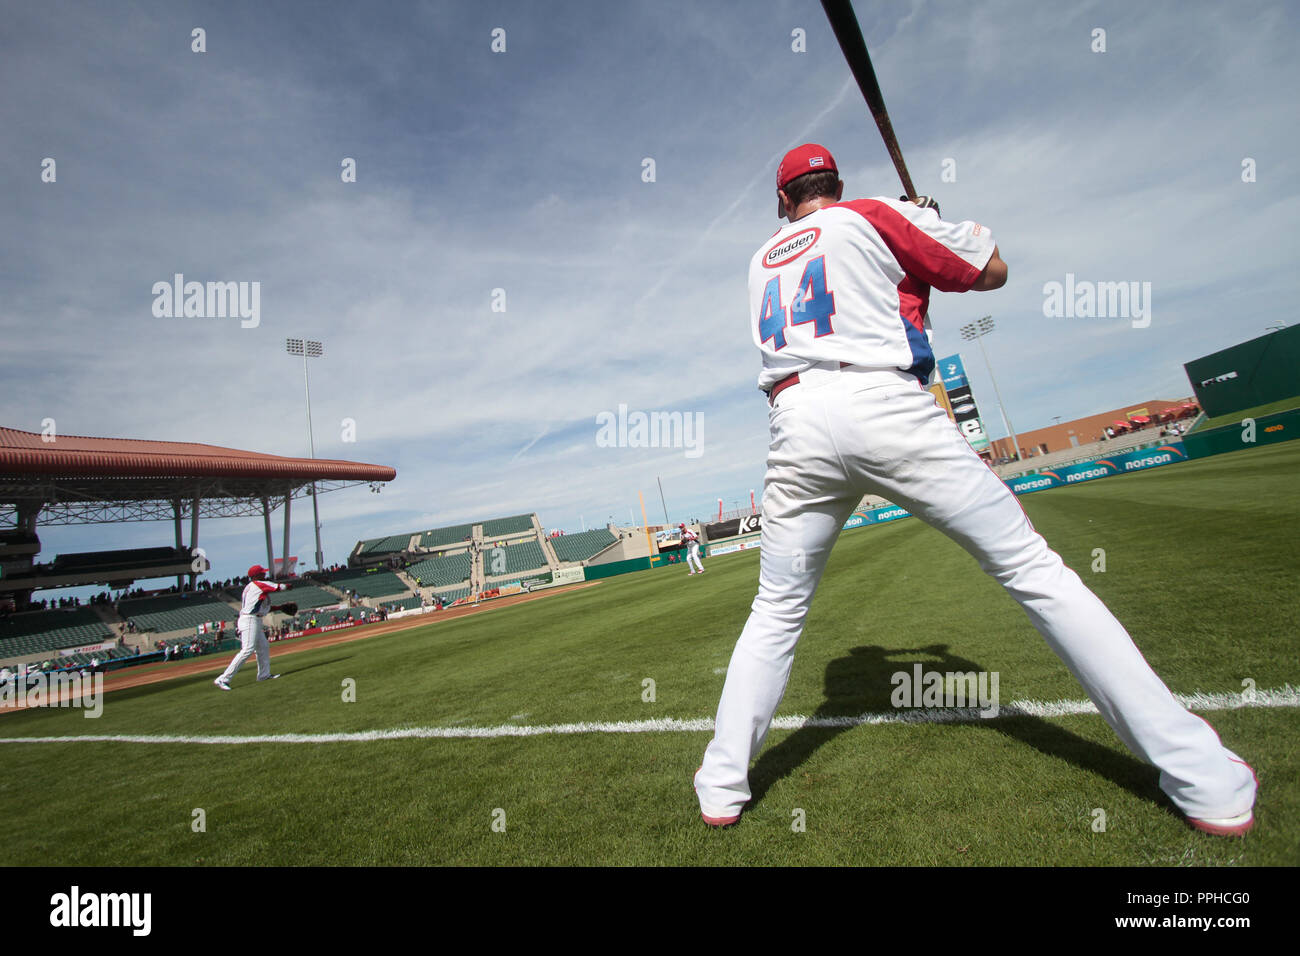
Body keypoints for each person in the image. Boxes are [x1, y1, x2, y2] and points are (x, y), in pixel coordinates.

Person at [693, 143, 1256, 837]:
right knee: (1032, 571)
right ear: (835, 182)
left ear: (784, 198)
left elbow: (872, 281)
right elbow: (991, 272)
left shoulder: (761, 259)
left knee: (776, 609)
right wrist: (930, 219)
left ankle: (721, 784)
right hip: (885, 403)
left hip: (795, 421)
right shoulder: (874, 214)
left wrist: (916, 227)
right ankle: (1205, 781)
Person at [213, 565, 292, 691]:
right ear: (255, 576)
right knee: (247, 650)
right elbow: (280, 587)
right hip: (250, 620)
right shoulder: (258, 584)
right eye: (262, 573)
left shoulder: (253, 588)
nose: (264, 575)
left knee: (263, 646)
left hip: (253, 619)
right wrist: (288, 585)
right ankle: (223, 679)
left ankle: (264, 675)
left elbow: (261, 608)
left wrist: (280, 607)